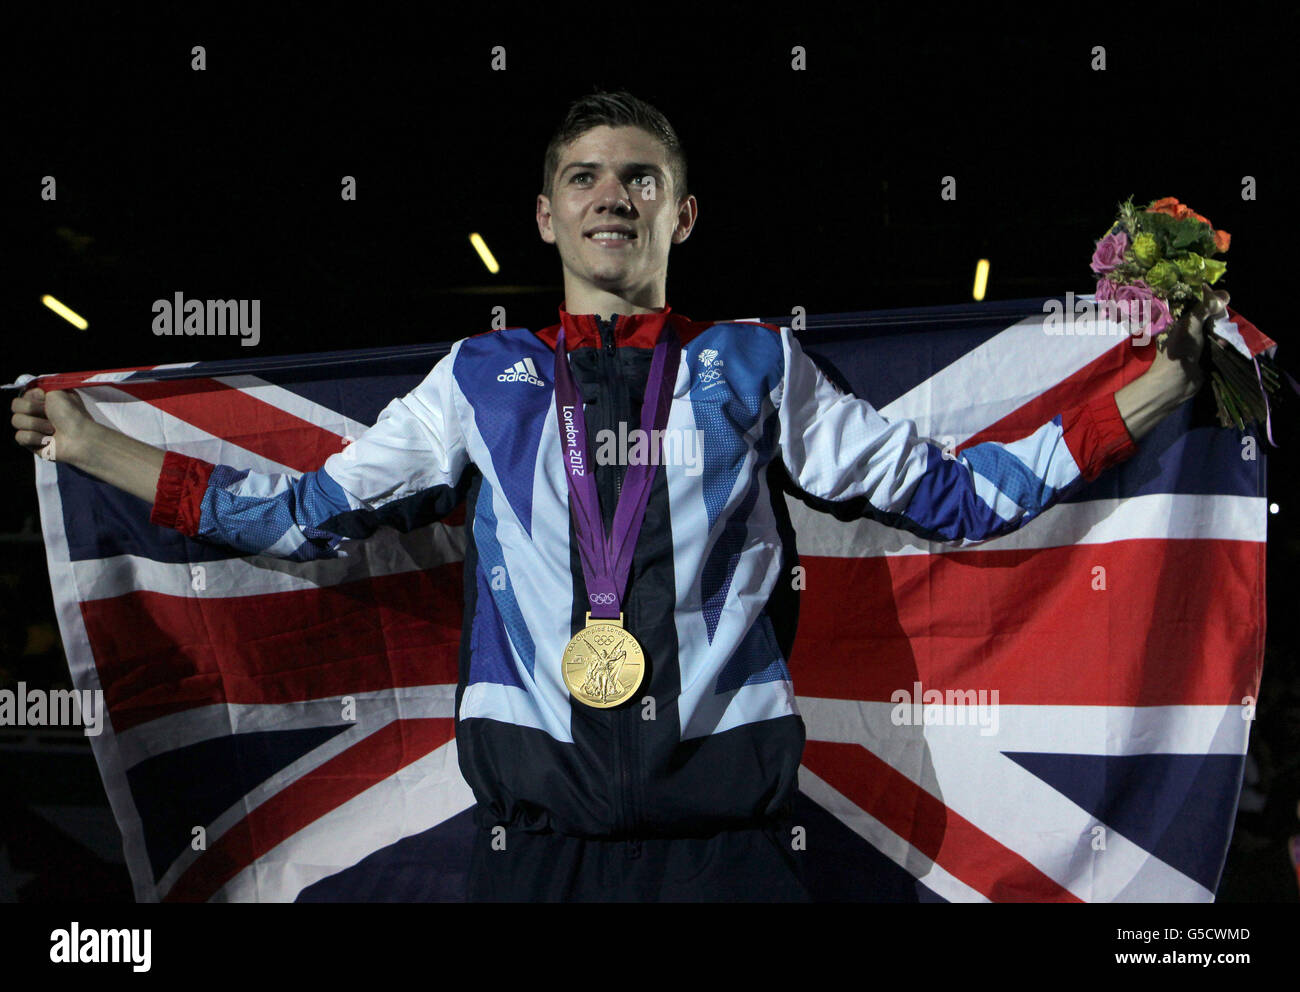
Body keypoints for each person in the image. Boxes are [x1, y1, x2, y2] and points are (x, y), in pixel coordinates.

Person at [11, 90, 1226, 901]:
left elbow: (955, 495)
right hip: (536, 851)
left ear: (681, 213)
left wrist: (1160, 390)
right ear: (545, 215)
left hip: (732, 851)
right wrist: (98, 448)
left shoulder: (752, 363)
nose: (612, 197)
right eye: (585, 177)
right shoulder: (478, 381)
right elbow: (300, 513)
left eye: (640, 179)